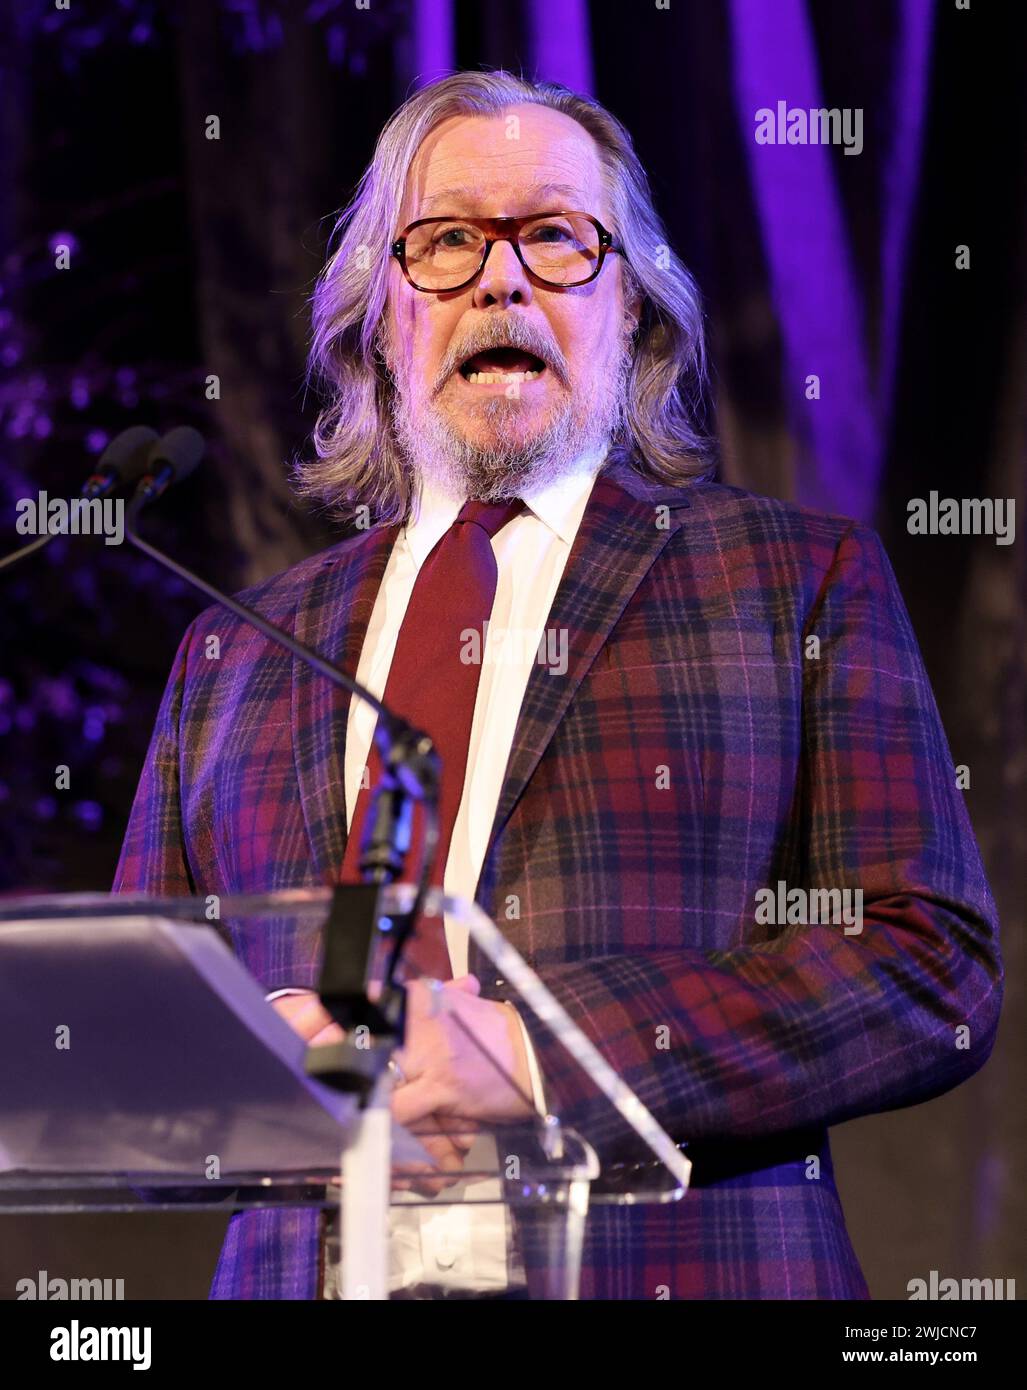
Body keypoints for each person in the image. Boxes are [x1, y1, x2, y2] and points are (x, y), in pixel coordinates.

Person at [115, 69, 1002, 1300]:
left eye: (552, 235)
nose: (499, 277)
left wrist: (542, 1051)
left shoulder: (793, 581)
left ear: (630, 308)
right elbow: (127, 1040)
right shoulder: (239, 648)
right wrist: (245, 1053)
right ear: (379, 317)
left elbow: (927, 970)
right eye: (444, 242)